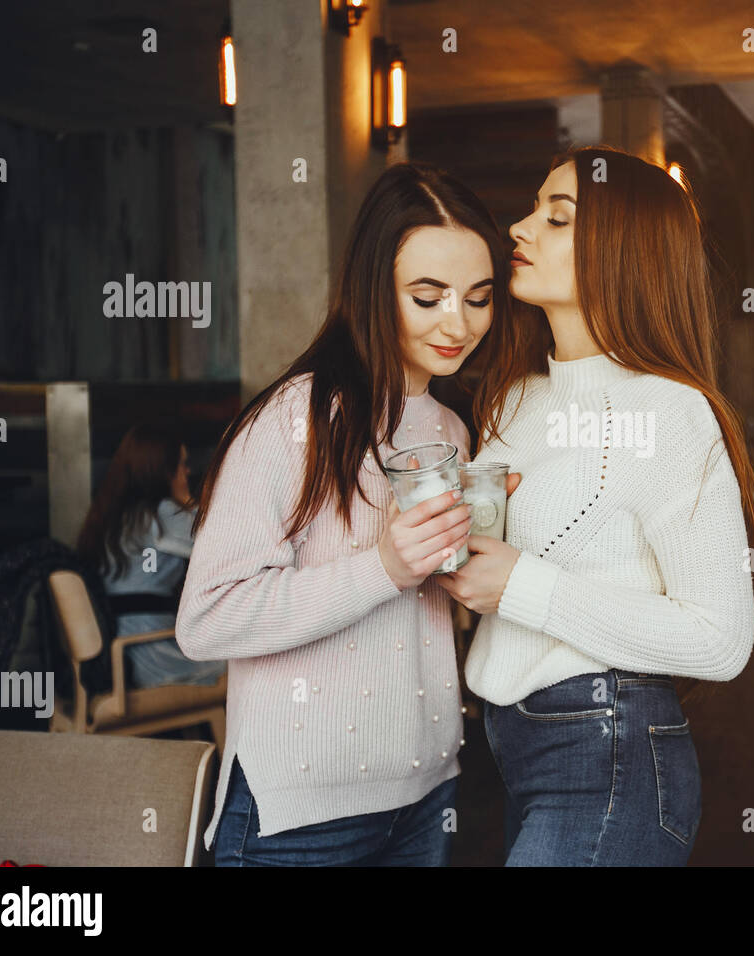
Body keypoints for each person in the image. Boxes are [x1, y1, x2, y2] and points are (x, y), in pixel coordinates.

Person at [174, 162, 516, 866]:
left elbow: (427, 608)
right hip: (301, 814)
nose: (459, 323)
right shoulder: (294, 418)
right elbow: (206, 619)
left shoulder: (451, 429)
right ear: (373, 287)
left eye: (478, 298)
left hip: (426, 796)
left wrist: (475, 556)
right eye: (428, 297)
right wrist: (384, 567)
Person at [436, 146, 754, 866]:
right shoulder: (514, 399)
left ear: (624, 252)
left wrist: (521, 584)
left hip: (610, 753)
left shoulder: (671, 412)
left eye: (556, 218)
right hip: (509, 750)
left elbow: (721, 639)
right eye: (532, 209)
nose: (518, 229)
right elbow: (489, 585)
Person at [76, 424, 225, 689]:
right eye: (181, 464)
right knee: (249, 663)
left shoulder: (113, 516)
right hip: (151, 653)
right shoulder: (161, 514)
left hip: (120, 653)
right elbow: (225, 543)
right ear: (162, 471)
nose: (187, 472)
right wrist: (189, 502)